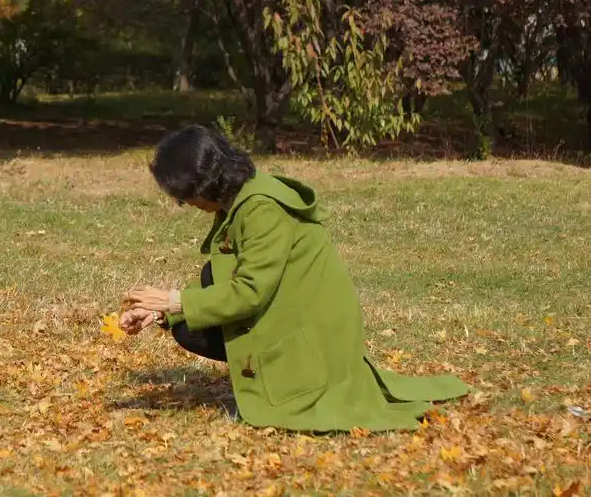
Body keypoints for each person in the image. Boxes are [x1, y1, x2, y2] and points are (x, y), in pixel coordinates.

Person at [119, 124, 469, 432]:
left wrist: (174, 301)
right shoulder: (238, 198)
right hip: (291, 312)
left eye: (185, 195)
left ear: (205, 182)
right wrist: (162, 312)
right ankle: (269, 373)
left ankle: (286, 382)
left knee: (195, 316)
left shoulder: (261, 208)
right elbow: (226, 274)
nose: (186, 204)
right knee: (195, 307)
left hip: (312, 332)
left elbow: (250, 292)